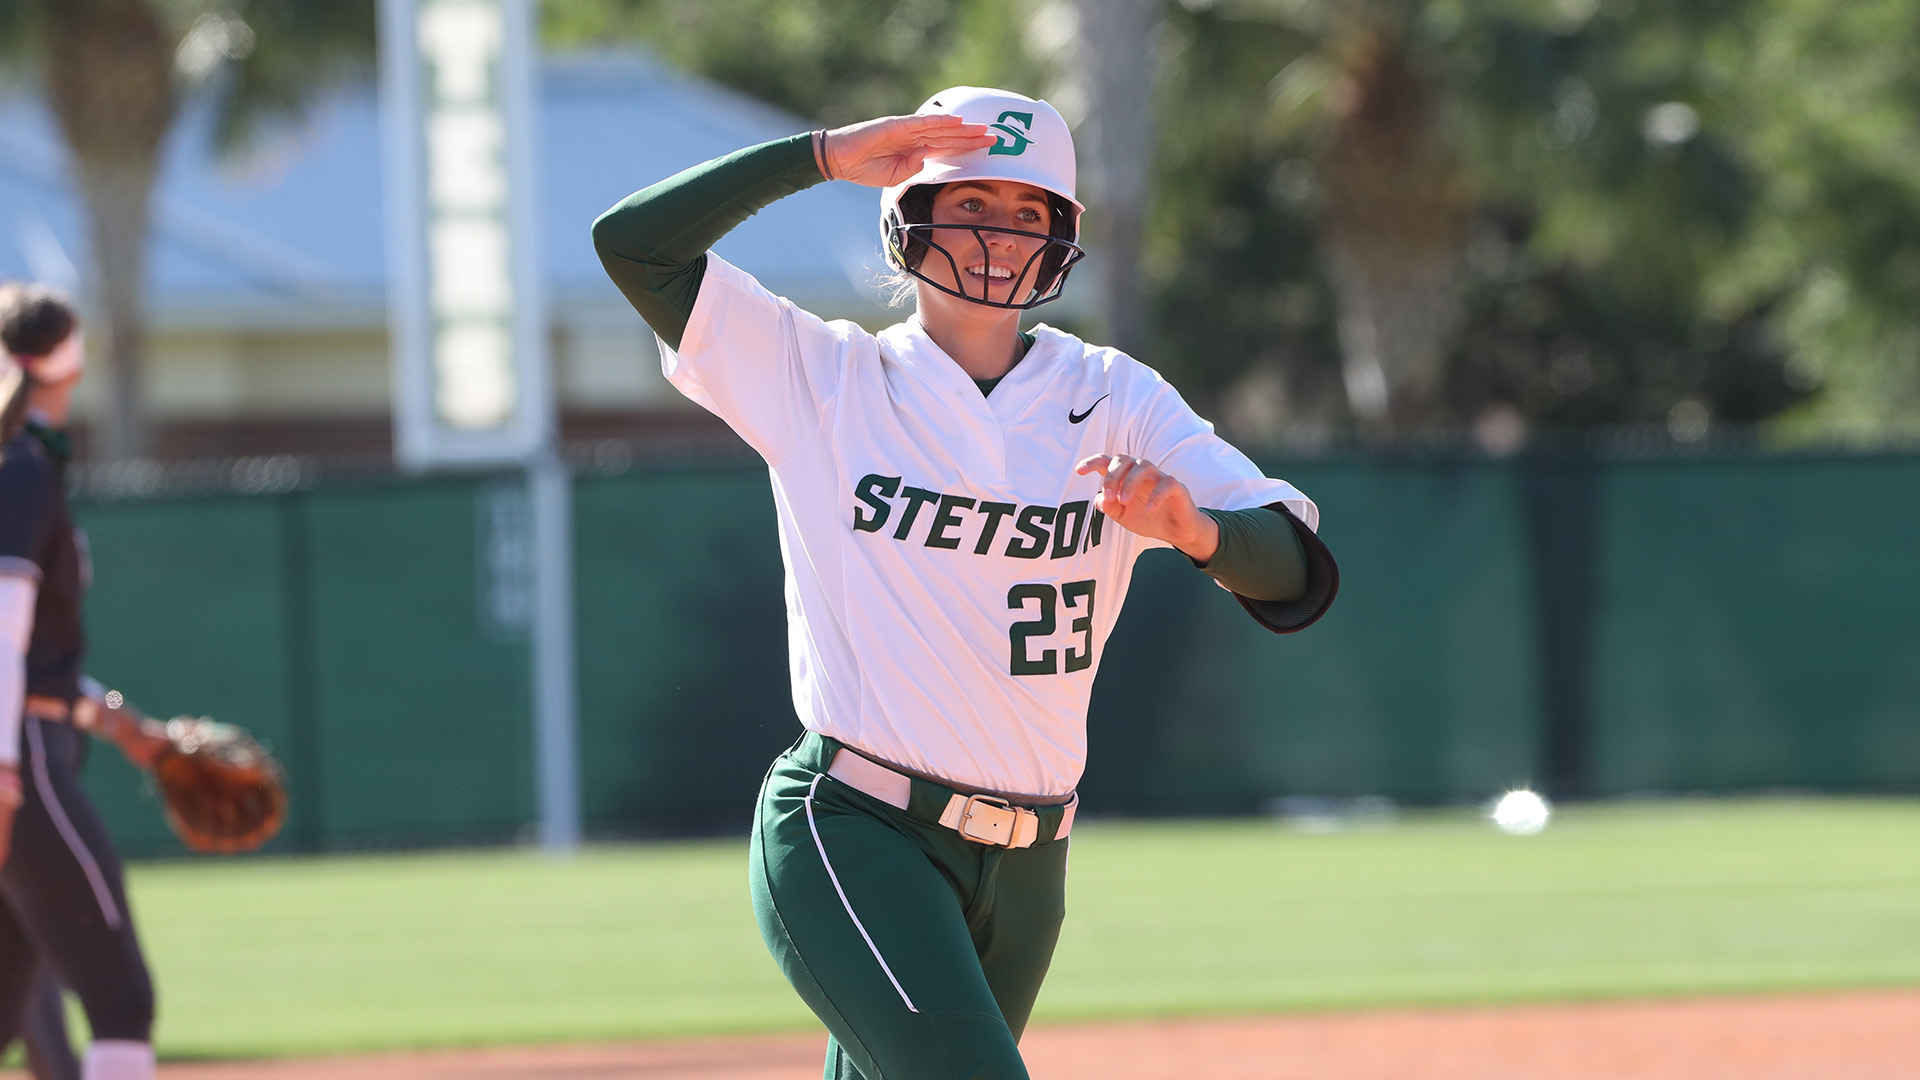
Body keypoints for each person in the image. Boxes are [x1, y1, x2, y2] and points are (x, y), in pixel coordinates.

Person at [593, 87, 1338, 1080]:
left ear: (1063, 241)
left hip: (1030, 868)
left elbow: (1296, 568)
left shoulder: (1112, 396)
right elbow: (635, 244)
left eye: (1029, 213)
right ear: (910, 216)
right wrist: (817, 156)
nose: (998, 234)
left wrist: (1194, 531)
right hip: (856, 832)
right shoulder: (823, 377)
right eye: (973, 203)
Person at [0, 283, 174, 1080]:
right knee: (121, 1000)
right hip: (23, 763)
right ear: (63, 368)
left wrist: (116, 721)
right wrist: (4, 772)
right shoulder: (21, 468)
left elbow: (31, 653)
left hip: (34, 739)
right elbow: (2, 636)